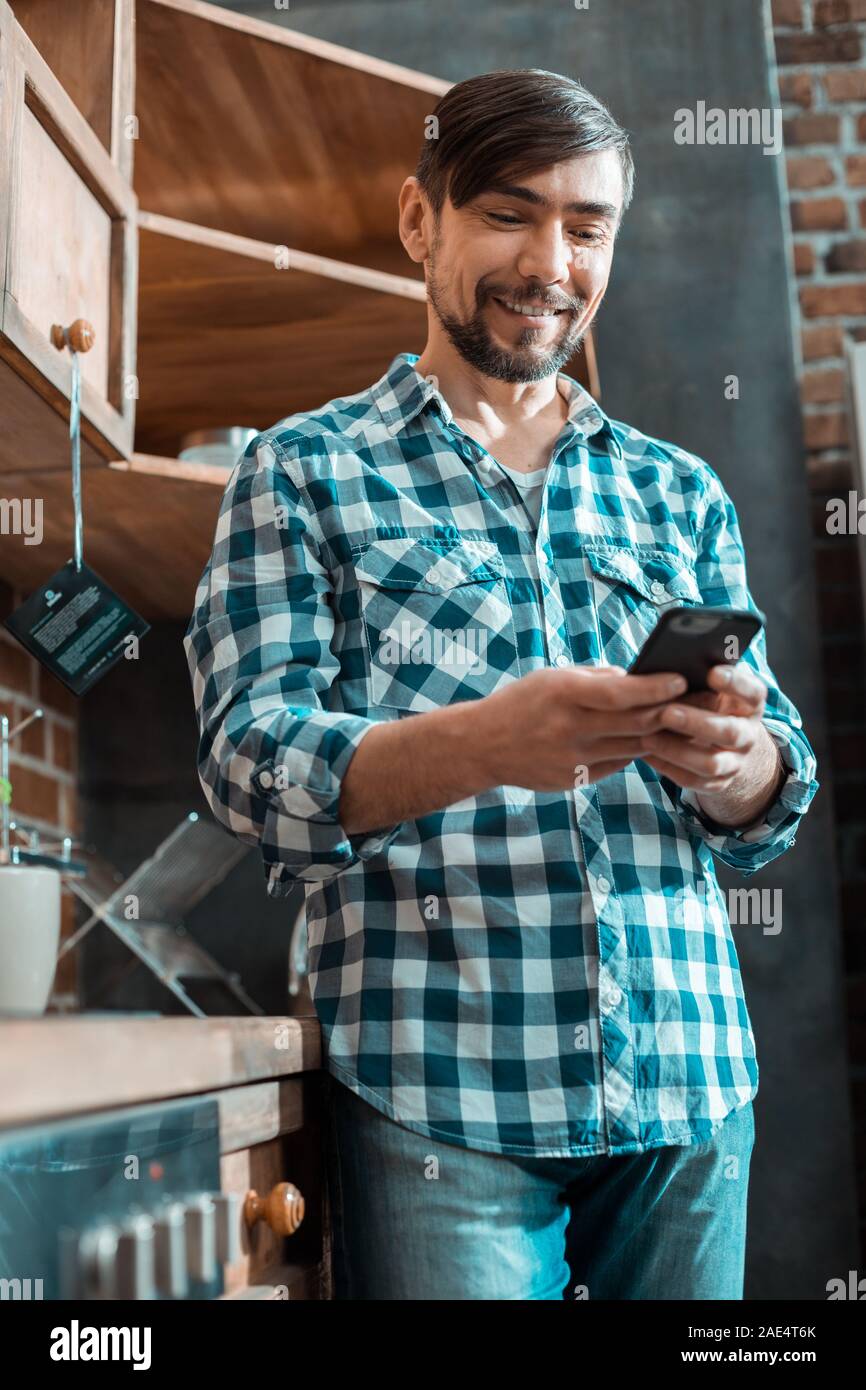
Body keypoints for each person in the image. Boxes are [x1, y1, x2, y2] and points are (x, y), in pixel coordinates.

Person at [184, 68, 819, 1300]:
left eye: (586, 228)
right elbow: (245, 761)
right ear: (421, 220)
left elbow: (770, 786)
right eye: (508, 214)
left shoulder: (674, 490)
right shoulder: (300, 470)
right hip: (436, 1091)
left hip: (686, 1086)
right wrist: (483, 745)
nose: (550, 261)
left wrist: (737, 766)